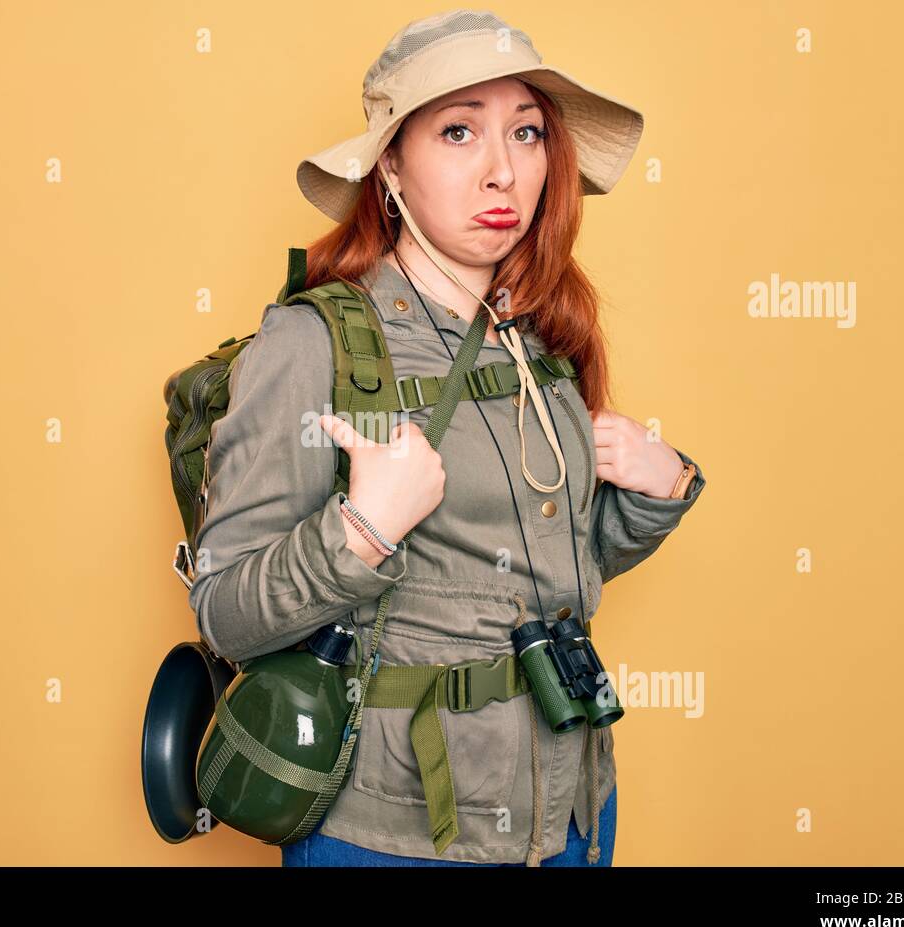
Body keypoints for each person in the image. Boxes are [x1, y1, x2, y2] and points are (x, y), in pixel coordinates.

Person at [188, 9, 706, 867]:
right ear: (390, 164)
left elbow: (520, 577)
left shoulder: (539, 337)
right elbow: (226, 616)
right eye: (459, 132)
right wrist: (361, 531)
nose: (504, 172)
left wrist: (655, 494)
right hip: (398, 827)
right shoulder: (312, 343)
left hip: (572, 808)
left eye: (527, 133)